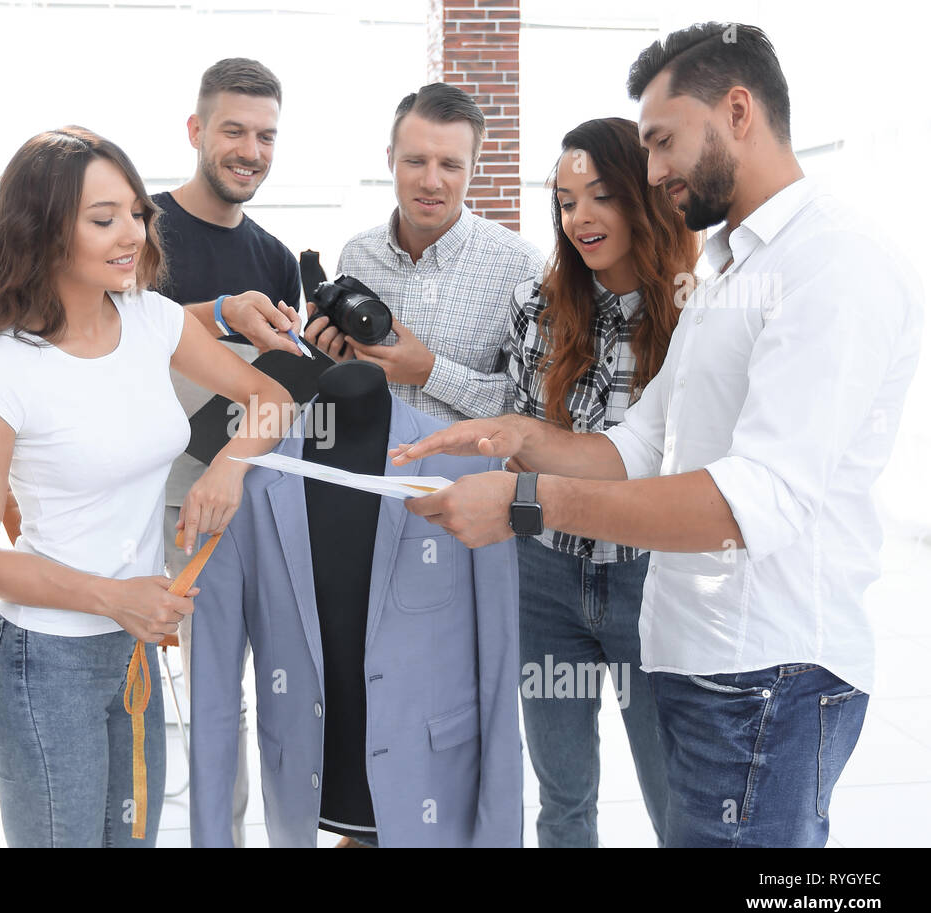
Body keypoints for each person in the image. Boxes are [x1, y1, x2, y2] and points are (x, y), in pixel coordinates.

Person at [393, 22, 923, 848]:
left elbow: (753, 502)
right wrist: (511, 438)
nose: (654, 171)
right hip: (702, 662)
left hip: (767, 678)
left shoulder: (834, 264)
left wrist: (525, 505)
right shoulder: (729, 271)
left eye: (662, 142)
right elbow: (636, 446)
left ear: (738, 111)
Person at [0, 126, 292, 848]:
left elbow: (272, 398)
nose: (131, 233)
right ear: (42, 232)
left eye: (135, 212)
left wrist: (230, 465)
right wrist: (118, 597)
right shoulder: (1, 370)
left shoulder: (154, 321)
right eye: (103, 219)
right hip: (47, 665)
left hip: (130, 653)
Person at [506, 117, 699, 847]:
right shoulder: (542, 304)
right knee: (562, 802)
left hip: (653, 582)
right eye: (564, 201)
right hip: (545, 577)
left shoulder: (695, 311)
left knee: (675, 799)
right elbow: (523, 435)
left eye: (600, 195)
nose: (580, 217)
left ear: (642, 196)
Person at [153, 57, 304, 848]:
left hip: (258, 491)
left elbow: (277, 386)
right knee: (192, 694)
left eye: (266, 136)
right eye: (234, 130)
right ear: (197, 131)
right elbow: (105, 337)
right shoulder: (134, 225)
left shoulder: (276, 257)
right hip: (169, 497)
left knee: (271, 692)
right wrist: (216, 313)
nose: (250, 149)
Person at [305, 82, 544, 423]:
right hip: (367, 467)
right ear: (390, 160)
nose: (431, 181)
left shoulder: (523, 267)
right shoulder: (357, 254)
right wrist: (335, 360)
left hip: (464, 475)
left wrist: (431, 373)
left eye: (450, 165)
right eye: (415, 161)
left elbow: (535, 409)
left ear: (473, 167)